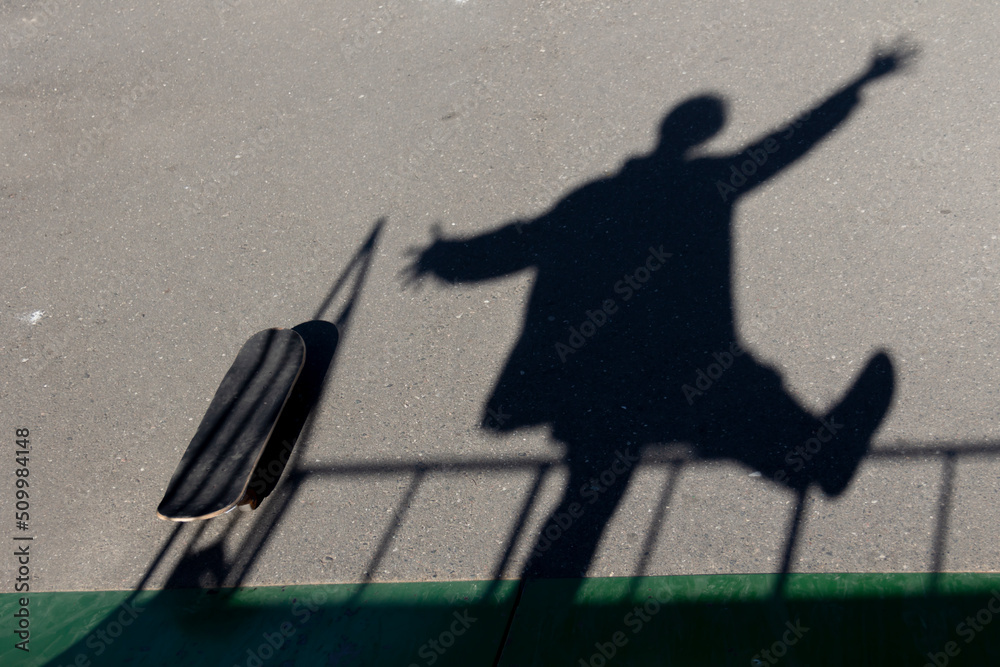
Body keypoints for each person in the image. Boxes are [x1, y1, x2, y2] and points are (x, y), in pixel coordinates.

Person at [405, 43, 913, 579]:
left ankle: (538, 606)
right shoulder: (701, 184)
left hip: (597, 377)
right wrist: (857, 85)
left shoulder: (594, 200)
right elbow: (786, 143)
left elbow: (518, 243)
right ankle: (817, 459)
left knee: (592, 492)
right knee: (737, 407)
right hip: (680, 361)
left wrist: (446, 258)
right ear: (701, 137)